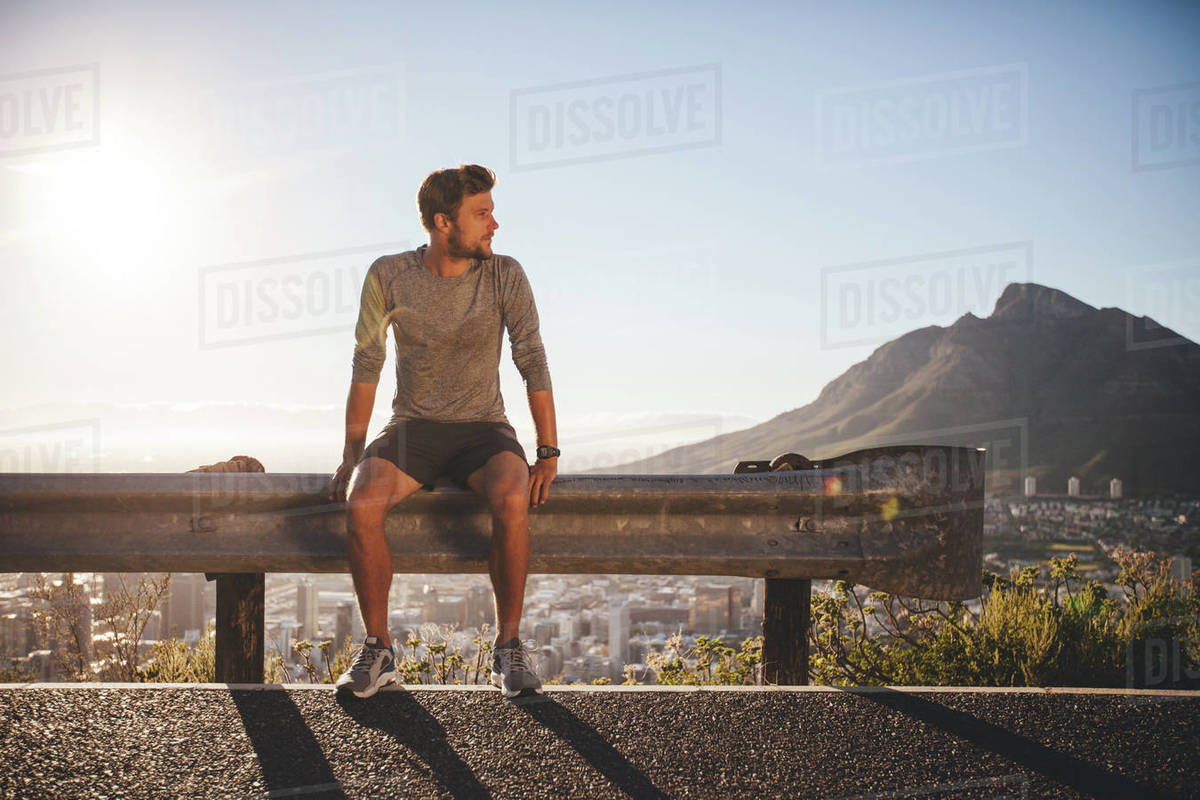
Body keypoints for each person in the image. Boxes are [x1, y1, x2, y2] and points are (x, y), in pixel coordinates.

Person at [328, 164, 559, 699]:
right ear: (442, 222)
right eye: (482, 214)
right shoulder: (387, 275)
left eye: (492, 212)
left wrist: (547, 451)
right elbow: (367, 365)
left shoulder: (506, 275)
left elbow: (533, 360)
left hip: (484, 429)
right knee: (360, 501)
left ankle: (508, 648)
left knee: (511, 493)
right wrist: (352, 455)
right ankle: (379, 650)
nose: (494, 224)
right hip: (413, 428)